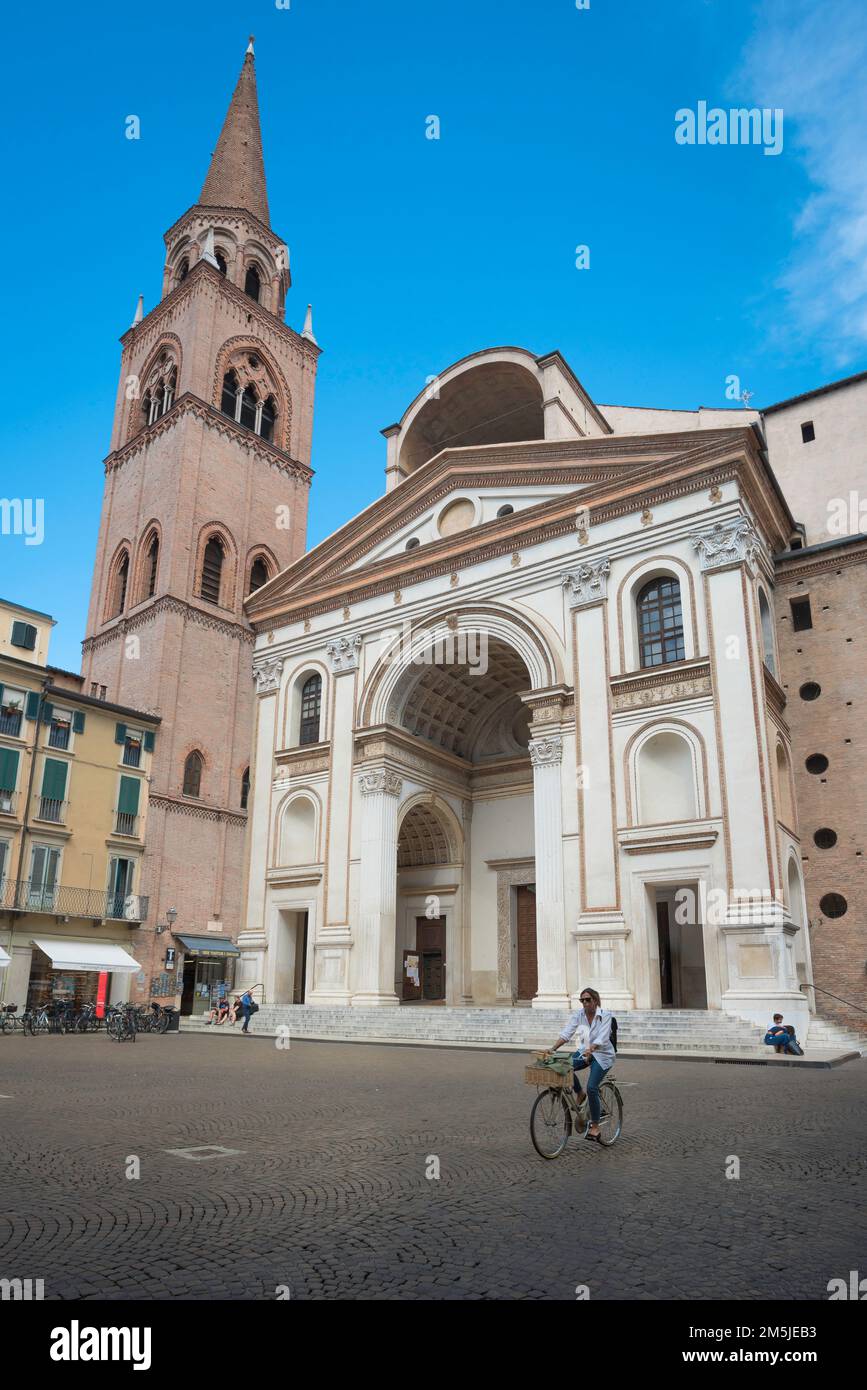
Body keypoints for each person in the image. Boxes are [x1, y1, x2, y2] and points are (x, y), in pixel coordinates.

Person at [546, 987, 615, 1142]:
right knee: (564, 1066)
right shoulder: (579, 1015)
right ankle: (579, 1093)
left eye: (588, 1000)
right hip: (585, 1051)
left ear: (595, 1001)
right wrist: (552, 1049)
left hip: (603, 1055)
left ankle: (595, 1126)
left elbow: (603, 1038)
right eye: (582, 1000)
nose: (585, 1003)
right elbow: (566, 1033)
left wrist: (592, 1049)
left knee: (592, 1087)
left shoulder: (605, 1016)